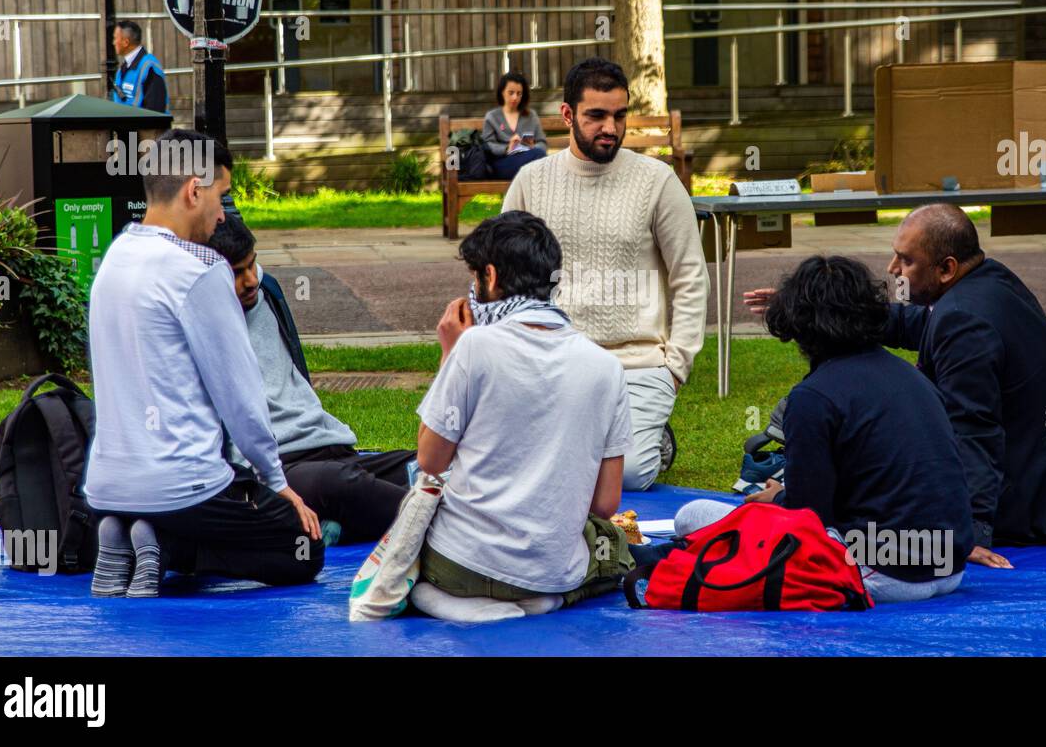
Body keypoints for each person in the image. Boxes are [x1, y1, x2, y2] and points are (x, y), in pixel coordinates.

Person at [745, 203, 1046, 568]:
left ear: (946, 268)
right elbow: (920, 324)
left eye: (906, 261)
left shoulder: (964, 322)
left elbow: (973, 432)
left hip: (1031, 507)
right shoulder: (988, 283)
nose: (893, 270)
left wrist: (966, 533)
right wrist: (814, 305)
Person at [84, 129, 322, 599]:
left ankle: (128, 536)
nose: (223, 213)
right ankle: (167, 545)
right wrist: (278, 484)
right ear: (194, 190)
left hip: (105, 487)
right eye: (222, 196)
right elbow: (241, 400)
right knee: (301, 549)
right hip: (182, 487)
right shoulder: (201, 271)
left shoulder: (113, 259)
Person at [668, 256, 973, 603]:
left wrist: (778, 499)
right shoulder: (913, 378)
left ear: (797, 326)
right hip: (951, 568)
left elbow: (809, 519)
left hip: (883, 572)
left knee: (691, 517)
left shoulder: (814, 398)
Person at [410, 211, 635, 623]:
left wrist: (449, 356)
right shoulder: (607, 367)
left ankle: (440, 598)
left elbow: (430, 459)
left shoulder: (473, 346)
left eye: (475, 277)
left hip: (459, 566)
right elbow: (605, 503)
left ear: (490, 277)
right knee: (612, 547)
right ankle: (549, 599)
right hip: (548, 572)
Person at [501, 57, 708, 491]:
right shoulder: (530, 181)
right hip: (552, 362)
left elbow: (689, 274)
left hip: (638, 364)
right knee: (523, 471)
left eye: (618, 115)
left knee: (626, 475)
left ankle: (649, 439)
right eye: (596, 115)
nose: (610, 127)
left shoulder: (658, 180)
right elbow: (504, 278)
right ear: (567, 115)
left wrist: (675, 366)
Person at [206, 214, 416, 546]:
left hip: (331, 446)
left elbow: (296, 376)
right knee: (340, 484)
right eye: (236, 273)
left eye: (252, 266)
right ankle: (450, 520)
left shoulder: (267, 292)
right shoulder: (197, 323)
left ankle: (345, 525)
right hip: (277, 467)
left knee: (420, 462)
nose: (250, 280)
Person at [482, 71, 548, 180]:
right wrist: (508, 148)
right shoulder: (492, 117)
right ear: (502, 92)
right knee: (539, 158)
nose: (515, 98)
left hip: (529, 159)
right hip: (502, 163)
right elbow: (487, 145)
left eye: (519, 93)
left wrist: (531, 147)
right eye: (511, 93)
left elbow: (542, 143)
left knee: (538, 155)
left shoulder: (531, 116)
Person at [110, 21, 168, 113]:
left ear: (126, 42)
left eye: (115, 38)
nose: (113, 43)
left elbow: (155, 113)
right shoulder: (123, 68)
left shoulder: (150, 68)